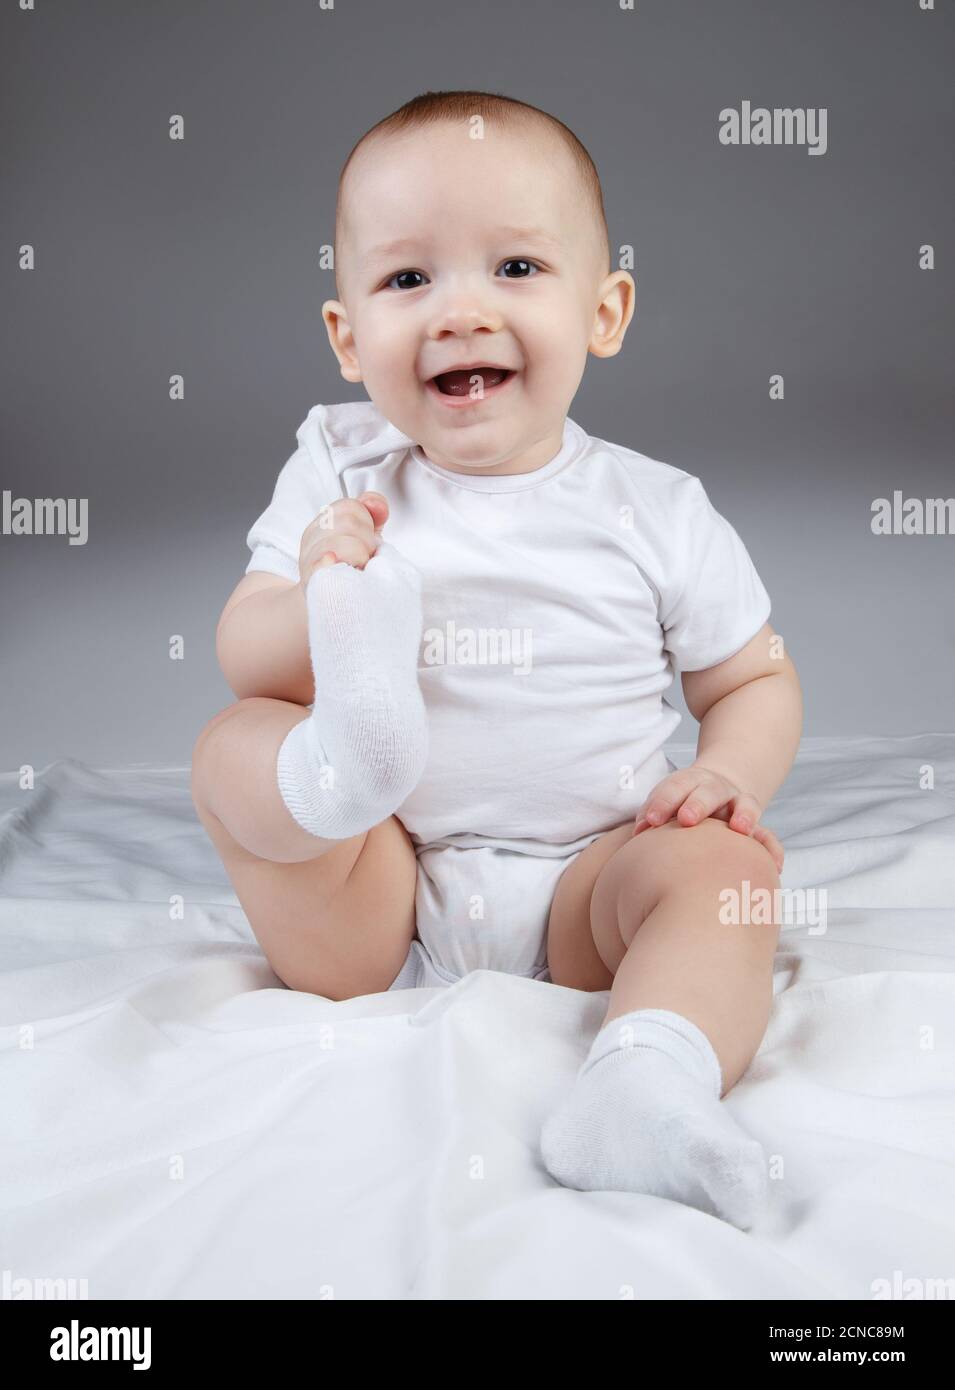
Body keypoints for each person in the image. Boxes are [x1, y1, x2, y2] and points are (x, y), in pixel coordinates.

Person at [191, 90, 803, 1230]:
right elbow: (243, 650)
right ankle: (348, 765)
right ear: (346, 336)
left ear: (605, 309)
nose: (459, 312)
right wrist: (321, 589)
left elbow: (752, 679)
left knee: (729, 877)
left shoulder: (655, 508)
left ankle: (642, 1082)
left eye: (515, 268)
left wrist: (729, 781)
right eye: (407, 280)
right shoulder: (342, 465)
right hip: (376, 887)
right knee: (236, 747)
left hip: (594, 882)